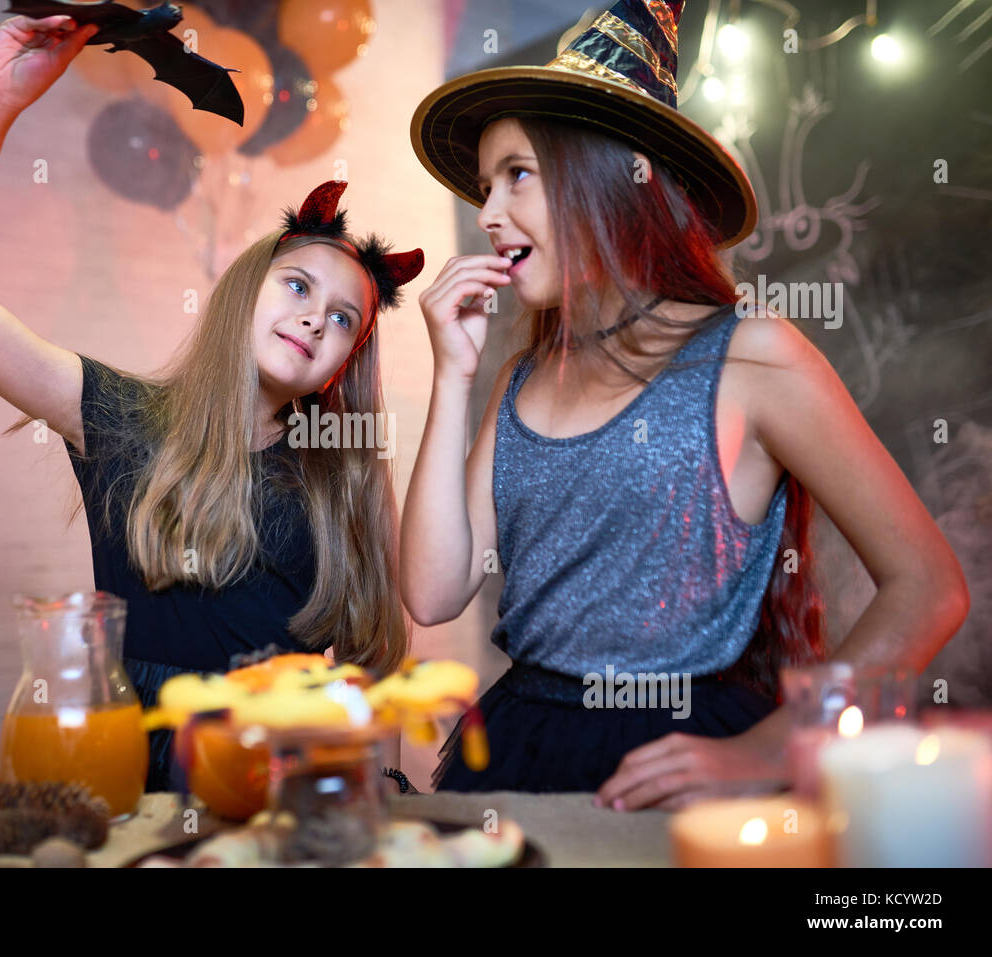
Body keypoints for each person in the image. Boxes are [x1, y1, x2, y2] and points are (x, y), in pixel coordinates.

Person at [402, 0, 969, 808]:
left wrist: (772, 748)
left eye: (517, 174)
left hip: (681, 761)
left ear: (609, 173)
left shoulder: (751, 354)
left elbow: (929, 584)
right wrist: (451, 378)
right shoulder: (520, 377)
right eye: (485, 185)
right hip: (521, 751)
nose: (487, 213)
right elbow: (431, 592)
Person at [0, 14, 421, 790]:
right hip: (131, 765)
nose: (317, 316)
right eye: (299, 286)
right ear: (247, 290)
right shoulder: (117, 417)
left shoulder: (337, 472)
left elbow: (369, 669)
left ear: (345, 362)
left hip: (282, 769)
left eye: (344, 318)